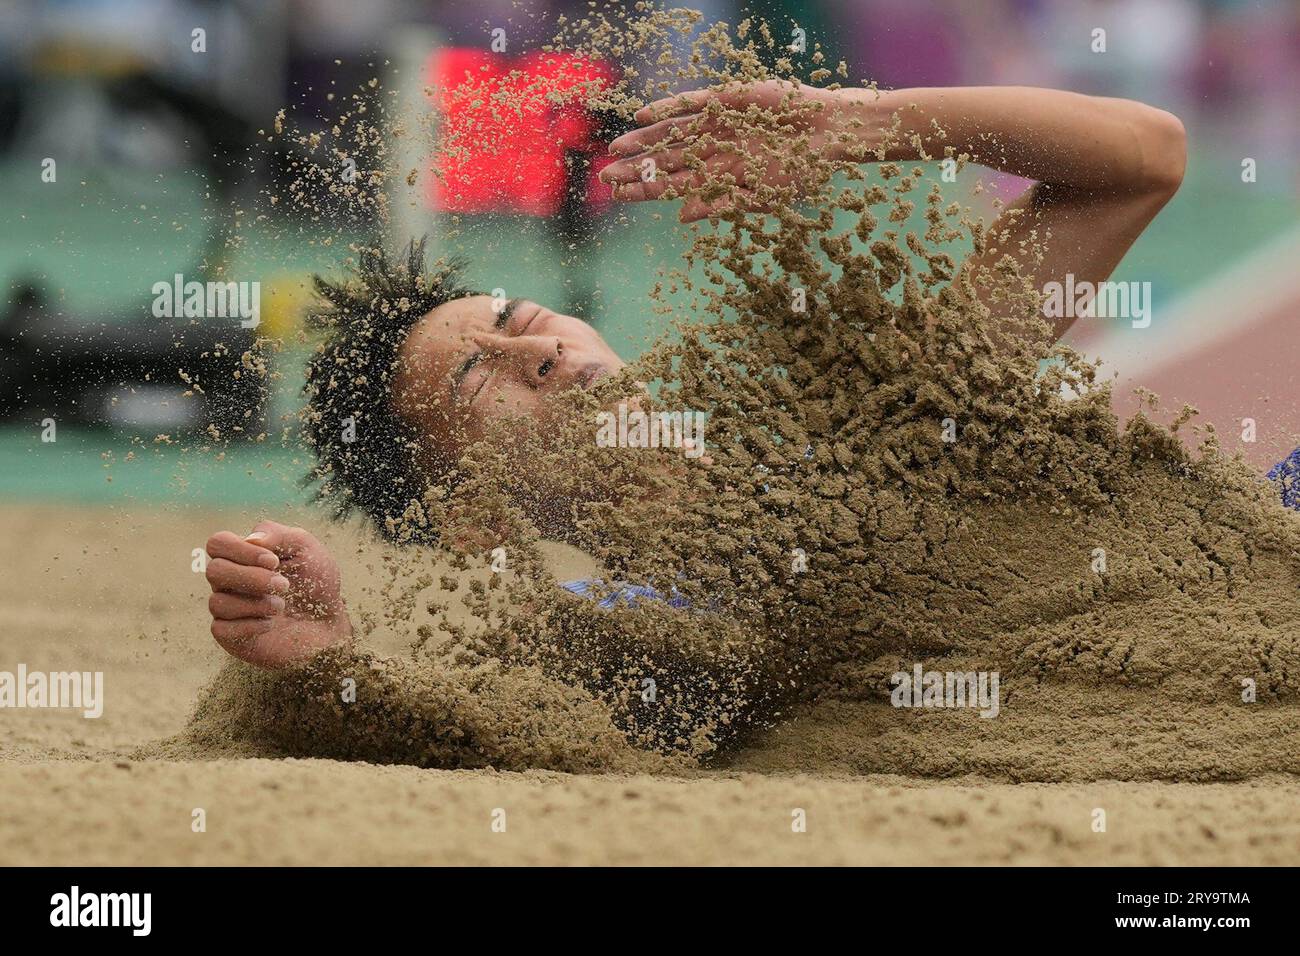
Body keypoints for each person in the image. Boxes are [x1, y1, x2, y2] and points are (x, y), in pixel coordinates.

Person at [204, 81, 1196, 670]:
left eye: (522, 321)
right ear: (471, 512)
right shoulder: (624, 640)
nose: (545, 355)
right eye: (479, 382)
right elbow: (482, 722)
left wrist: (850, 124)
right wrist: (325, 669)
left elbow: (1144, 157)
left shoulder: (878, 408)